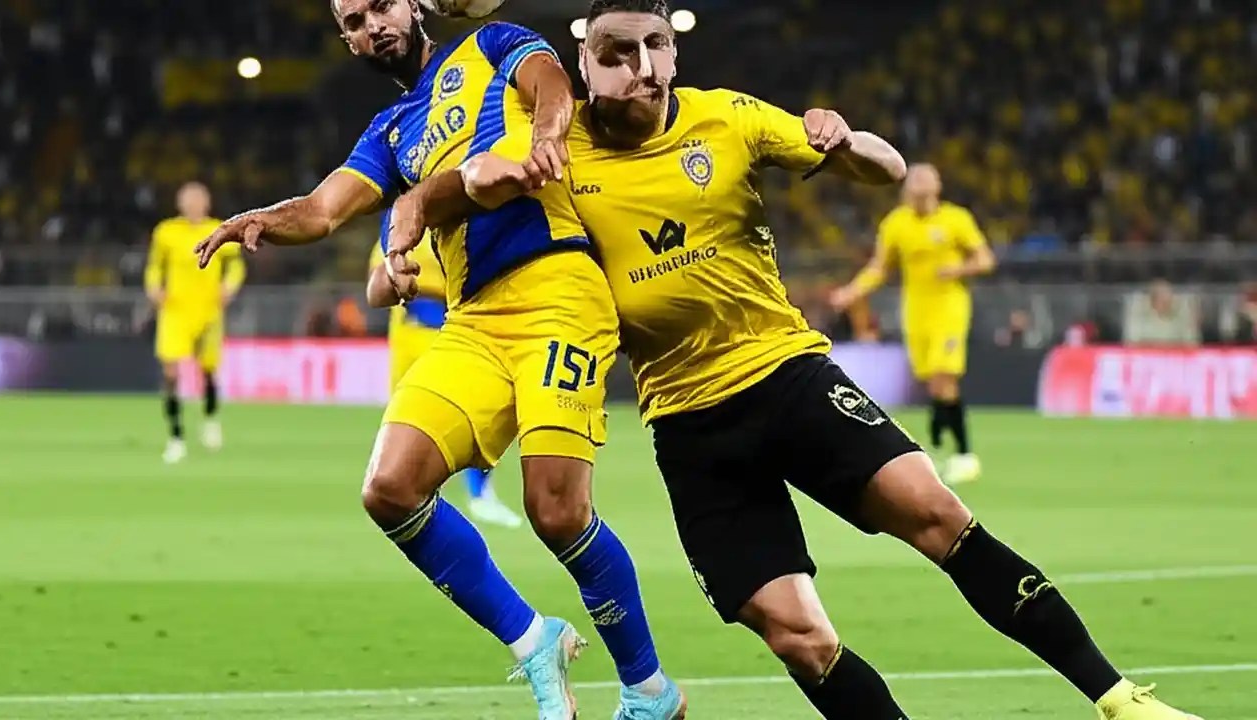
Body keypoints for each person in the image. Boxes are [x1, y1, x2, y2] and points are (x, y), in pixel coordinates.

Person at [385, 2, 1203, 719]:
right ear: (582, 68)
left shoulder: (729, 118)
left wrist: (845, 140)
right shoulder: (555, 154)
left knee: (939, 516)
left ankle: (1119, 699)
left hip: (787, 376)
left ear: (676, 53)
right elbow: (460, 182)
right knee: (801, 637)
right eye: (616, 52)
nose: (641, 68)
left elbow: (884, 169)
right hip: (688, 424)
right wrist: (414, 210)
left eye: (656, 46)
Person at [195, 3, 683, 719]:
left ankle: (648, 690)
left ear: (413, 6)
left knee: (556, 510)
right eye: (354, 20)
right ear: (348, 40)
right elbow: (325, 209)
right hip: (475, 319)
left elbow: (553, 86)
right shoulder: (390, 133)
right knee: (389, 488)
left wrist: (549, 137)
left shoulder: (492, 45)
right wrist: (262, 219)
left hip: (560, 292)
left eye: (381, 6)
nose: (373, 25)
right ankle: (533, 642)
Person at [832, 164, 996, 484]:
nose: (919, 188)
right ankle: (938, 435)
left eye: (925, 182)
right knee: (932, 383)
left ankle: (965, 454)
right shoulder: (896, 223)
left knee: (943, 377)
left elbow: (985, 259)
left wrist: (957, 270)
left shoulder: (955, 219)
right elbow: (879, 268)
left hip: (949, 308)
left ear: (937, 186)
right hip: (916, 311)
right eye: (914, 183)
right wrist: (851, 291)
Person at [368, 209, 522, 528]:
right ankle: (425, 494)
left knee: (467, 412)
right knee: (411, 418)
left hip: (447, 326)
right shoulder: (398, 228)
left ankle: (480, 494)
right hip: (406, 328)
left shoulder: (454, 225)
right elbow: (378, 281)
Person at [144, 182, 244, 464]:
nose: (193, 205)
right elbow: (154, 266)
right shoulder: (166, 232)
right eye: (188, 200)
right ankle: (176, 437)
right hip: (175, 311)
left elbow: (236, 265)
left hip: (208, 311)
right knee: (171, 374)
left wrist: (229, 286)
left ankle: (210, 419)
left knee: (209, 372)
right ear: (180, 204)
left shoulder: (220, 229)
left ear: (207, 203)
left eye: (198, 200)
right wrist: (153, 287)